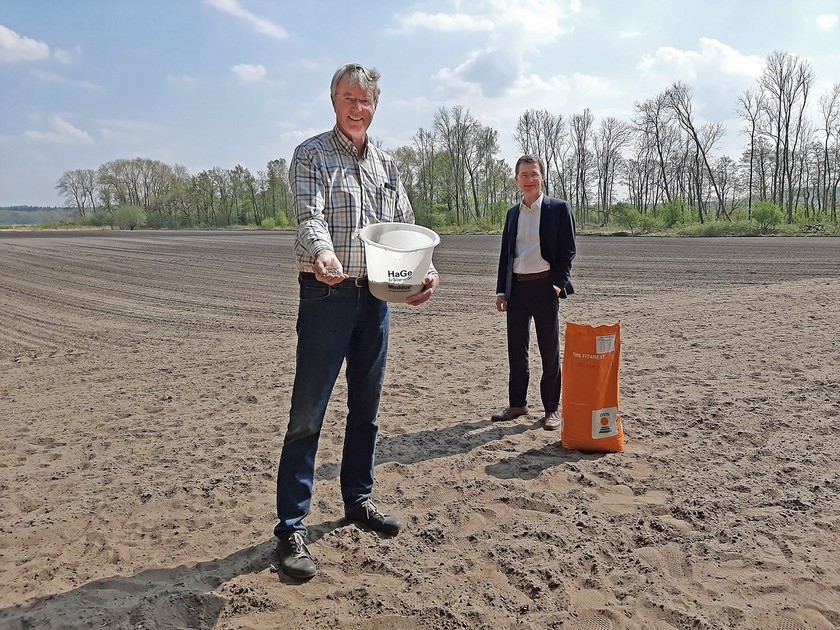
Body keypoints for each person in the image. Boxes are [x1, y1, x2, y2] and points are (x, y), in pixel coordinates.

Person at [274, 62, 440, 580]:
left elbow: (405, 231)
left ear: (375, 105)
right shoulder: (311, 155)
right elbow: (310, 217)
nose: (357, 108)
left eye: (365, 100)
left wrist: (425, 272)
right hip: (327, 294)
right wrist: (322, 254)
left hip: (376, 297)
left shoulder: (387, 165)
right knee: (308, 415)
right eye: (348, 98)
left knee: (366, 408)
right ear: (333, 100)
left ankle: (358, 499)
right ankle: (291, 527)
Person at [492, 154, 576, 431]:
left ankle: (551, 409)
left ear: (542, 177)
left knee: (549, 351)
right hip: (516, 289)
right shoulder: (512, 213)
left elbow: (568, 251)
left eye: (533, 174)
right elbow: (506, 255)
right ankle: (518, 404)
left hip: (545, 288)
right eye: (524, 175)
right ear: (517, 179)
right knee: (516, 351)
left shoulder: (559, 209)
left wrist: (557, 284)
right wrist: (501, 291)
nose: (529, 179)